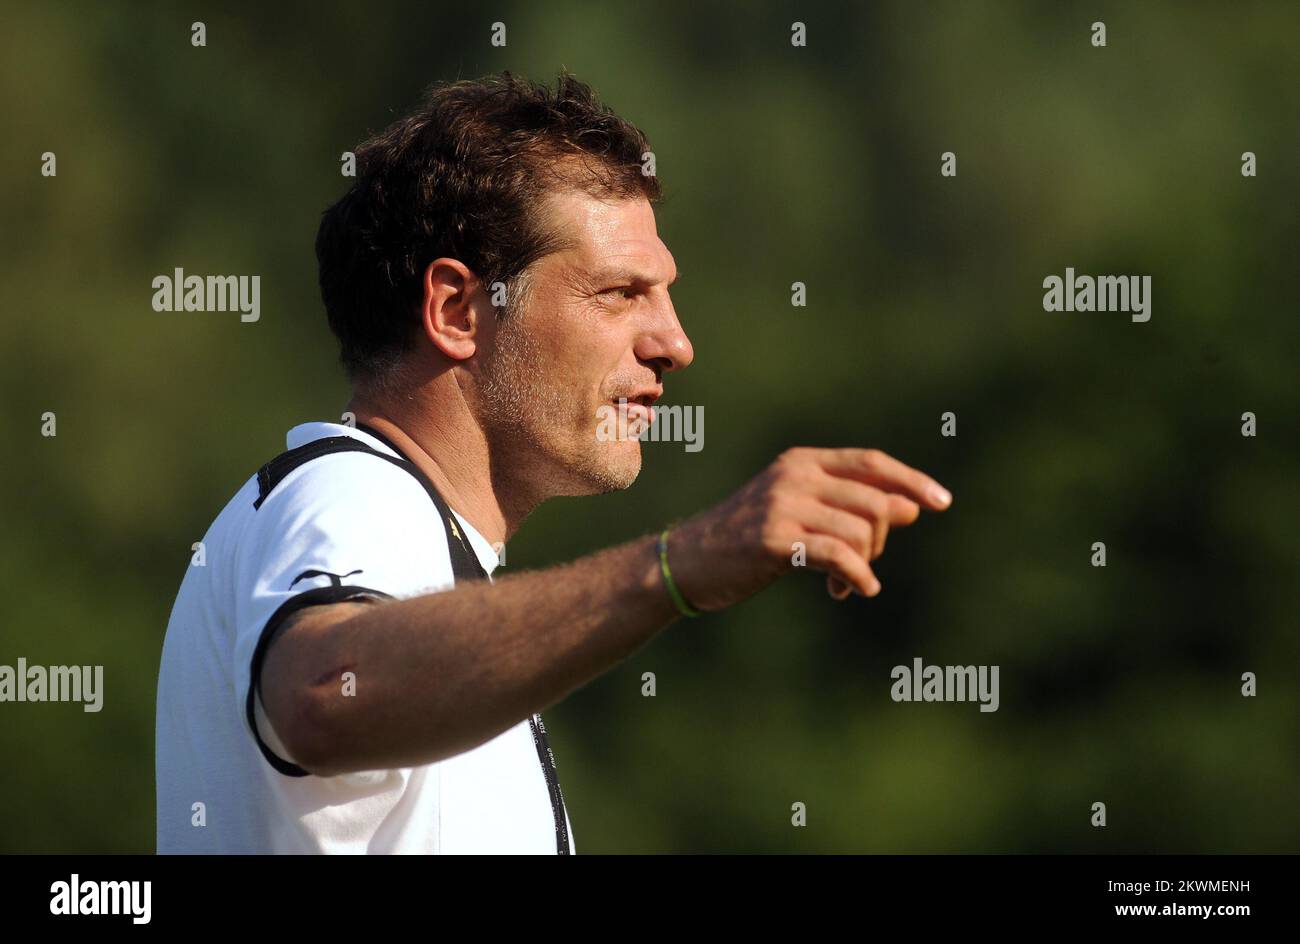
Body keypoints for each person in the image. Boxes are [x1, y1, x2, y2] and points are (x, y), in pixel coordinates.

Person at [154, 70, 952, 854]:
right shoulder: (352, 489)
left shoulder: (423, 547)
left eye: (665, 295)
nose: (675, 343)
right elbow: (320, 695)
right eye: (619, 293)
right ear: (458, 311)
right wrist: (678, 567)